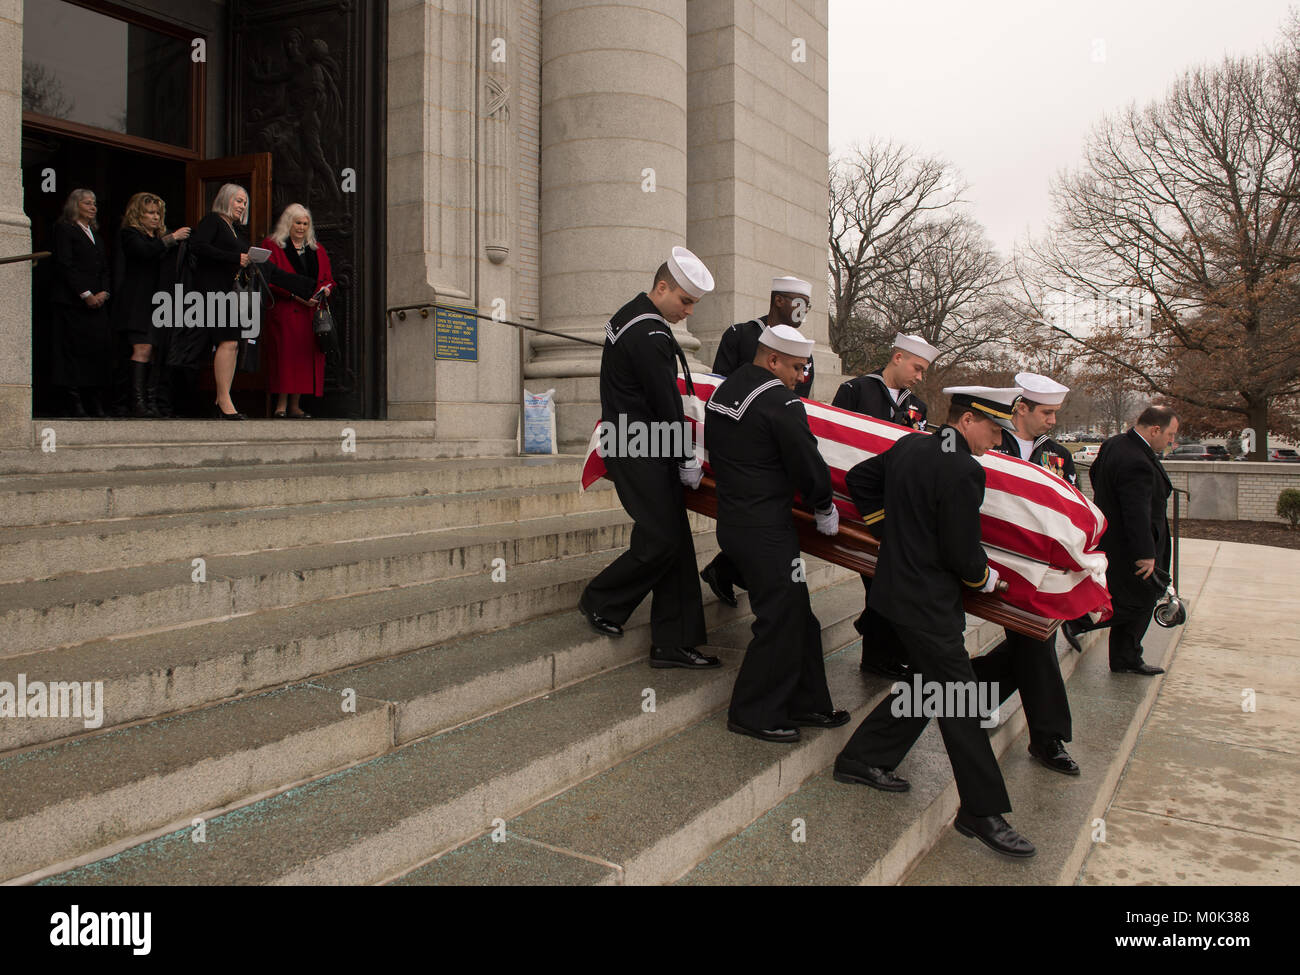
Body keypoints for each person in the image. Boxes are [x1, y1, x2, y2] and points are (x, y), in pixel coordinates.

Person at [834, 386, 1036, 859]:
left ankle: (863, 758)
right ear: (967, 421)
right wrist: (984, 579)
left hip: (898, 593)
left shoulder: (912, 444)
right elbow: (961, 551)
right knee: (960, 700)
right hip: (927, 604)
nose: (998, 439)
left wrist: (889, 531)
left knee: (931, 685)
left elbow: (862, 478)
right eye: (993, 429)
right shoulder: (964, 469)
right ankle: (981, 811)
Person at [705, 324, 848, 742]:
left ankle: (808, 701)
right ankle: (753, 712)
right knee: (780, 621)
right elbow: (806, 460)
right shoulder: (781, 402)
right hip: (767, 530)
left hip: (735, 523)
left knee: (799, 616)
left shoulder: (723, 393)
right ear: (772, 360)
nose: (801, 376)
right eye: (797, 367)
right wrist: (823, 504)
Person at [578, 247, 718, 670]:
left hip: (635, 441)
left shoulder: (634, 317)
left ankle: (673, 643)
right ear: (662, 287)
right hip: (641, 445)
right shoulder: (650, 333)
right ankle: (600, 599)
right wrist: (685, 456)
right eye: (685, 301)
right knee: (662, 539)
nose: (688, 311)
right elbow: (663, 402)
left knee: (671, 538)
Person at [970, 373, 1080, 776]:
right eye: (1046, 413)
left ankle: (977, 688)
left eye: (1055, 413)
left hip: (1038, 564)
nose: (1052, 421)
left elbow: (1071, 505)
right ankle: (1048, 738)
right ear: (1022, 409)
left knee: (1032, 638)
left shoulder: (1060, 455)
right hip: (991, 555)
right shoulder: (992, 441)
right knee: (1035, 639)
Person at [700, 275, 815, 609]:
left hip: (778, 447)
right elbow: (717, 387)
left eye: (806, 305)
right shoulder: (741, 335)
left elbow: (799, 402)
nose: (802, 310)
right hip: (742, 448)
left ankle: (727, 569)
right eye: (797, 302)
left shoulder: (800, 349)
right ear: (778, 300)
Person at [831, 333, 939, 681]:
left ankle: (879, 650)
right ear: (897, 357)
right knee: (879, 580)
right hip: (861, 497)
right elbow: (836, 440)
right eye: (917, 368)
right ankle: (880, 654)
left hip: (898, 503)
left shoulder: (917, 406)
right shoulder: (856, 391)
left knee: (885, 581)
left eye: (923, 371)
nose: (919, 377)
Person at [1070, 405, 1179, 676]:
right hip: (1135, 544)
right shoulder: (1137, 461)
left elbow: (1096, 476)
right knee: (1141, 600)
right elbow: (1137, 511)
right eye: (1170, 435)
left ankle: (1125, 657)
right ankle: (1081, 621)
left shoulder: (1115, 444)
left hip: (1114, 537)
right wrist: (1146, 552)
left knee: (1130, 597)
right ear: (1155, 429)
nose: (1171, 441)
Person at [112, 192, 190, 416]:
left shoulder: (160, 238)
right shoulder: (130, 234)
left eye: (158, 213)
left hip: (158, 302)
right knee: (142, 348)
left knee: (155, 351)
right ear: (139, 214)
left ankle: (151, 401)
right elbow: (143, 252)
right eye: (150, 213)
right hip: (137, 302)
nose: (155, 217)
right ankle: (137, 402)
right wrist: (171, 239)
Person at [187, 183, 256, 420]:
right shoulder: (212, 221)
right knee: (228, 341)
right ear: (225, 199)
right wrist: (234, 257)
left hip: (228, 291)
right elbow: (197, 246)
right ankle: (224, 401)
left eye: (244, 202)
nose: (242, 206)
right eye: (238, 200)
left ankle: (221, 399)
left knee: (233, 343)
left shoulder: (235, 230)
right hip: (211, 291)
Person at [262, 203, 334, 417]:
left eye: (305, 223)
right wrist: (295, 296)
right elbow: (269, 278)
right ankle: (281, 406)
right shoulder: (272, 244)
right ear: (288, 223)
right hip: (286, 310)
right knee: (286, 358)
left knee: (304, 359)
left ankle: (295, 405)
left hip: (311, 313)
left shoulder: (317, 249)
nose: (301, 227)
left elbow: (329, 279)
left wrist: (326, 291)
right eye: (297, 223)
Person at [49, 188, 112, 417]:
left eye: (94, 203)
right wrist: (86, 294)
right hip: (74, 303)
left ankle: (95, 399)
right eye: (87, 203)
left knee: (95, 352)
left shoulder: (96, 235)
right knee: (73, 352)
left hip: (97, 303)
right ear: (75, 205)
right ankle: (74, 401)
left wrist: (104, 291)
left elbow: (104, 267)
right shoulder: (65, 229)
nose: (93, 207)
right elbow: (65, 265)